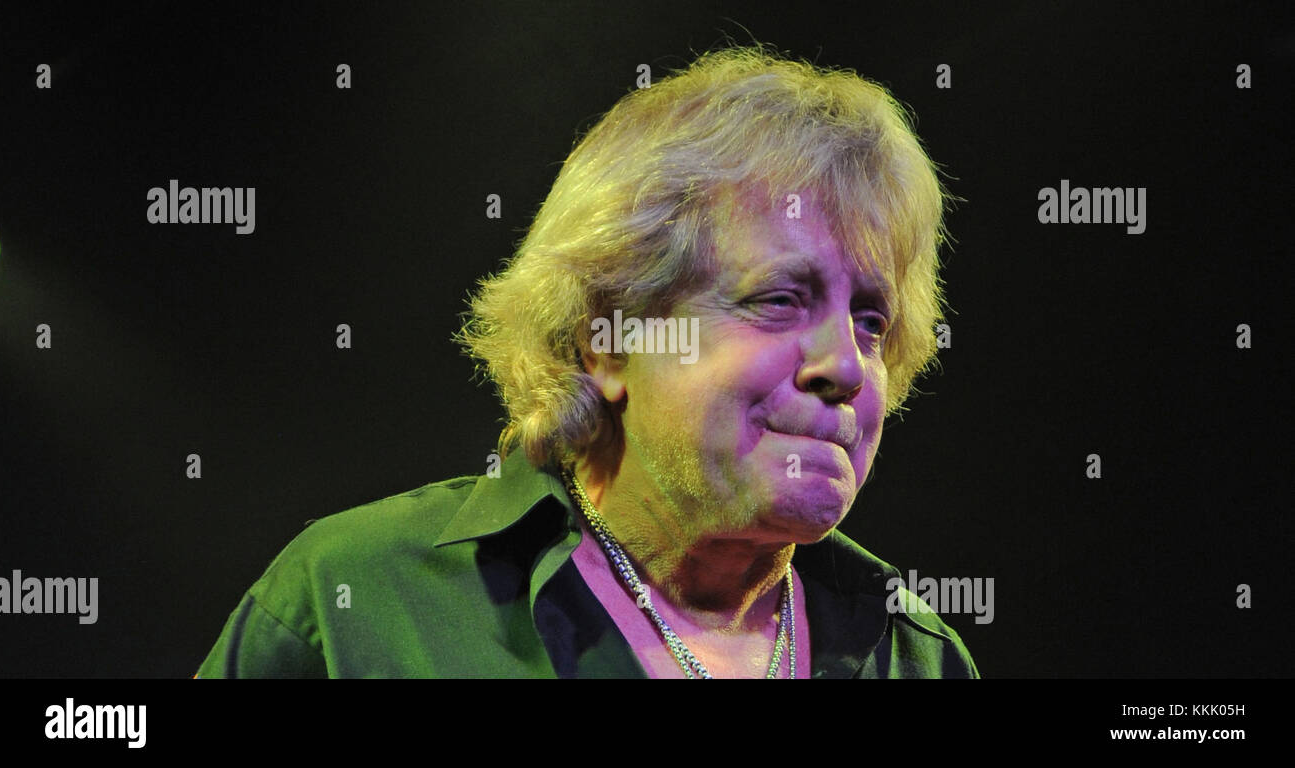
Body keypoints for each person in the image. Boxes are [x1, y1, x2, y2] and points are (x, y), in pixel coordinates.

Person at [196, 44, 978, 678]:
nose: (844, 363)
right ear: (606, 340)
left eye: (871, 320)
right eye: (778, 300)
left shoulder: (916, 656)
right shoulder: (358, 599)